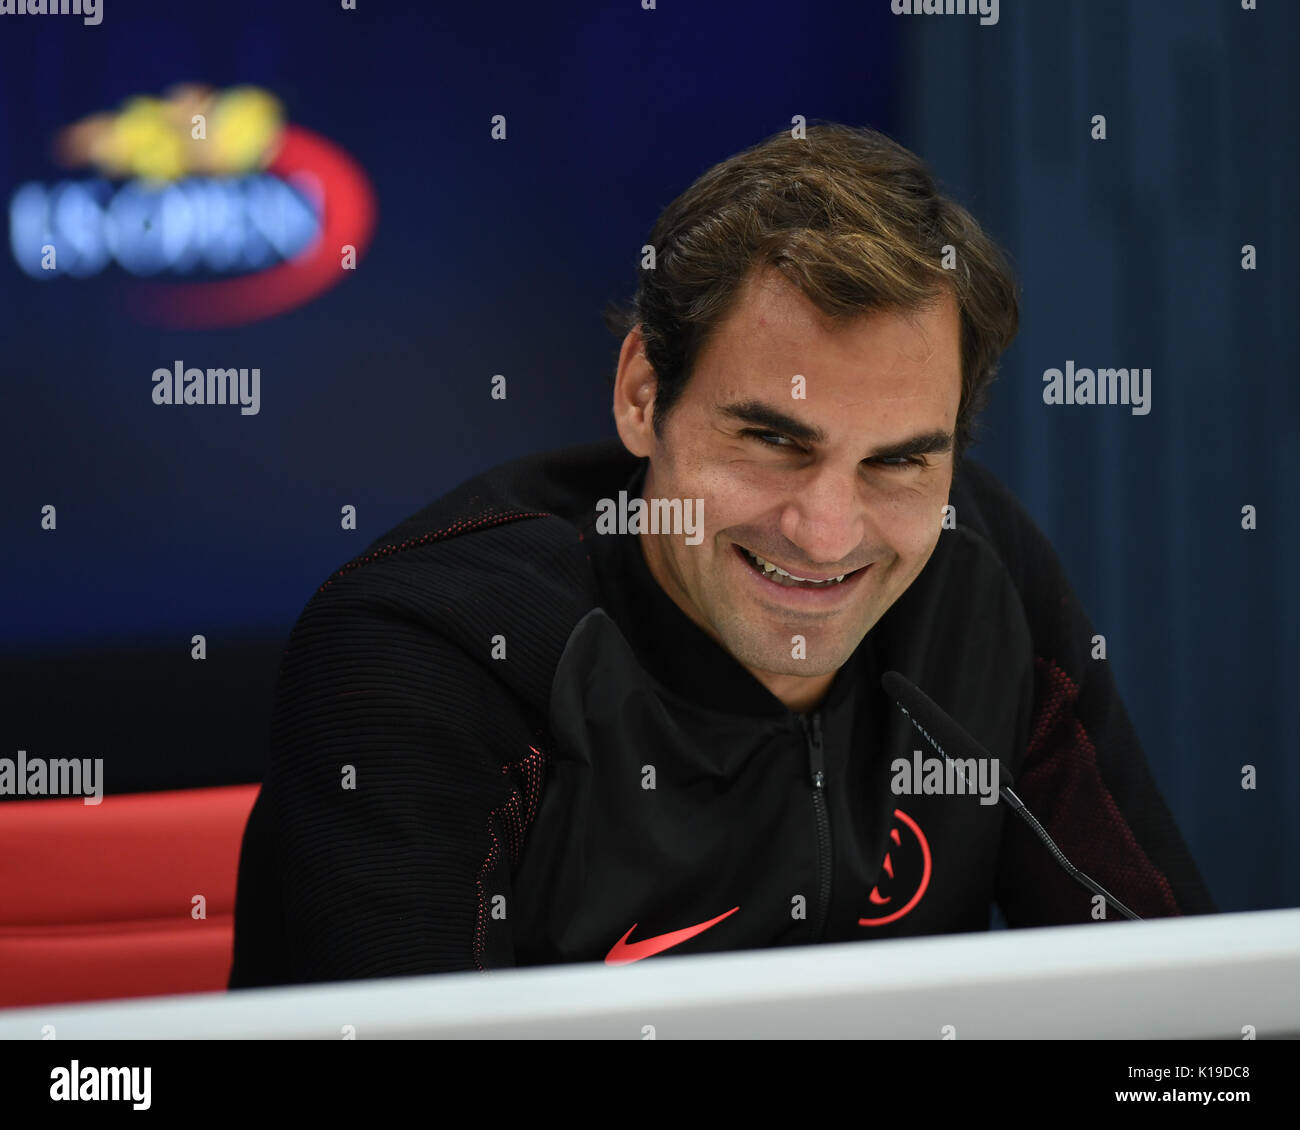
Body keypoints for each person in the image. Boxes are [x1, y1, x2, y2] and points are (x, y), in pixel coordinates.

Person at [228, 123, 1214, 988]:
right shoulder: (430, 649)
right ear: (643, 396)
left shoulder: (975, 566)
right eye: (773, 440)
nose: (827, 531)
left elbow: (1188, 1010)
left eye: (899, 461)